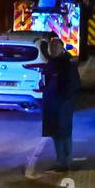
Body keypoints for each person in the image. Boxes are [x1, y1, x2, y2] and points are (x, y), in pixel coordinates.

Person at [40, 38, 79, 171]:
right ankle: (67, 160)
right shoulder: (69, 62)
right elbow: (76, 84)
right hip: (65, 103)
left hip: (57, 103)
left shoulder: (55, 65)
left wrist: (44, 88)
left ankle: (62, 162)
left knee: (58, 133)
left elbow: (48, 86)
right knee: (65, 132)